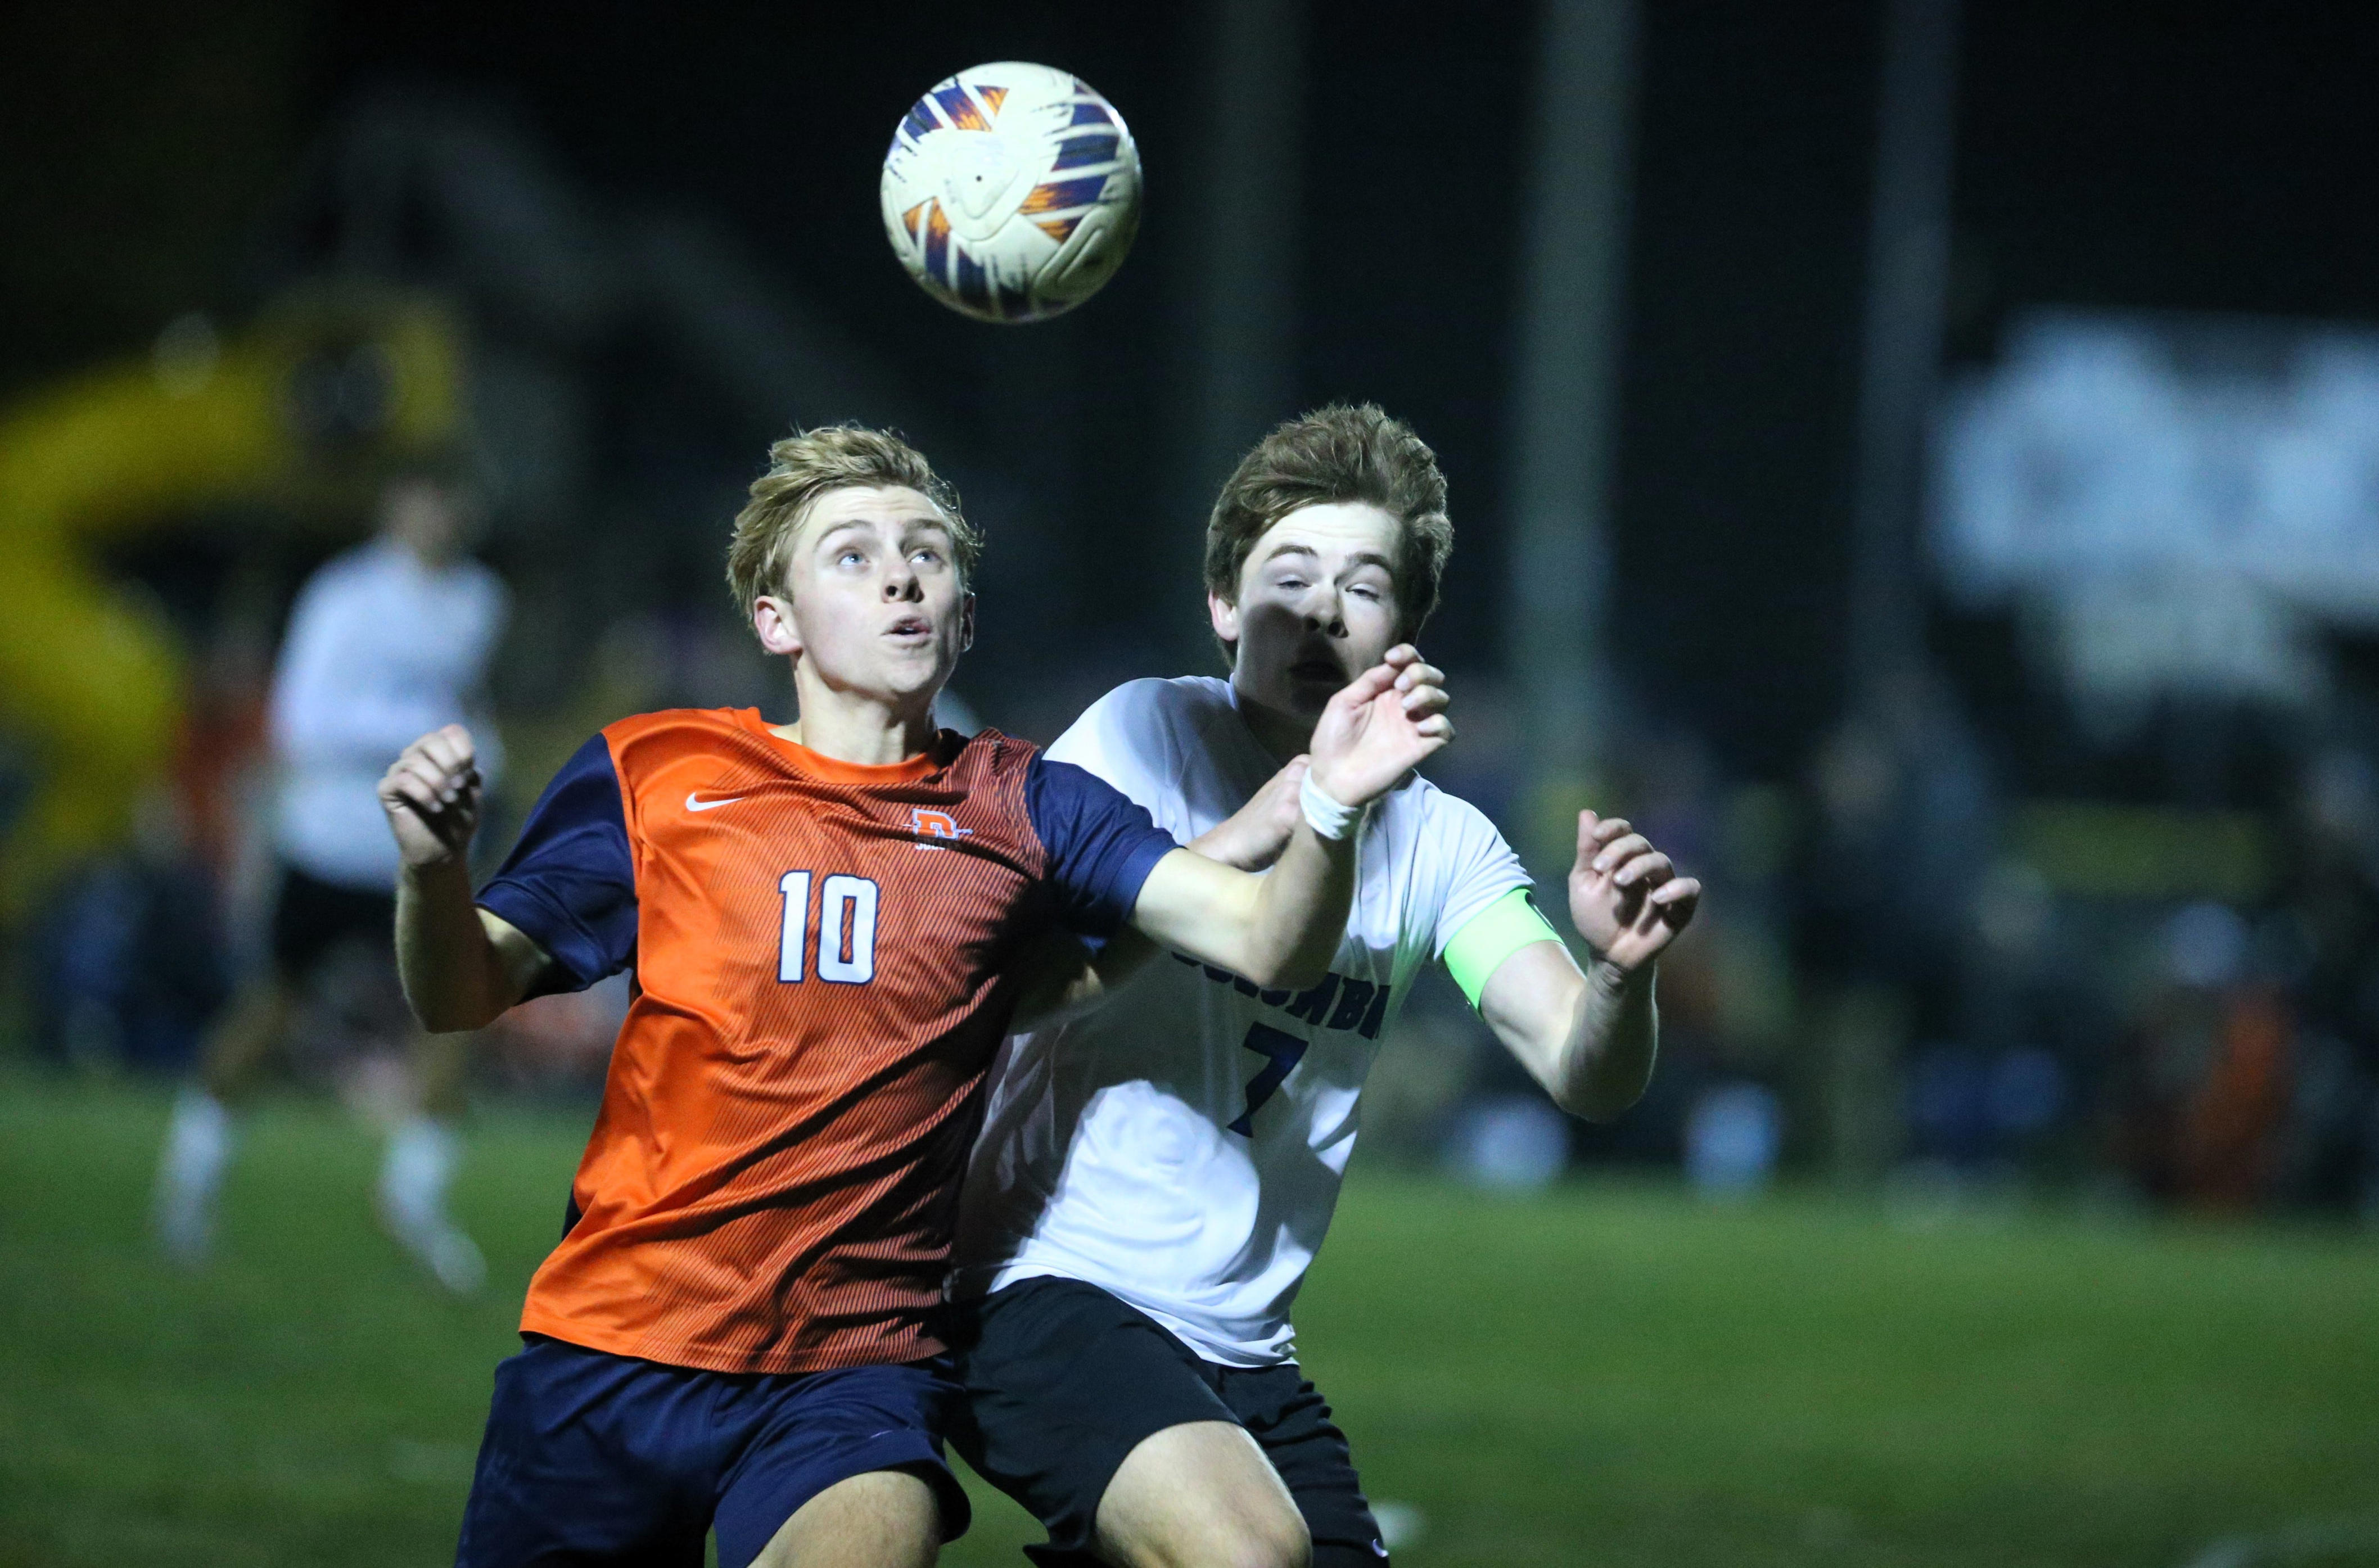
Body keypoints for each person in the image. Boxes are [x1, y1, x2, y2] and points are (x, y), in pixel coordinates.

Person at [377, 424, 1452, 1568]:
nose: (900, 573)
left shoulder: (1024, 804)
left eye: (928, 555)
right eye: (851, 554)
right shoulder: (658, 772)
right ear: (774, 620)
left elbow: (1266, 943)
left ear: (962, 618)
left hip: (850, 1386)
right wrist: (430, 869)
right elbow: (460, 993)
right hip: (608, 1351)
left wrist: (1331, 807)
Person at [947, 405, 1701, 1568]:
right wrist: (1309, 814)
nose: (1317, 613)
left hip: (1245, 1341)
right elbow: (1015, 976)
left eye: (1361, 586)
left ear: (1406, 628)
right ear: (1221, 606)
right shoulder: (1144, 733)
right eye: (1285, 577)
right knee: (1249, 1560)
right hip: (1043, 1284)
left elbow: (1583, 1071)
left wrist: (1618, 976)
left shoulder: (1446, 845)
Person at [153, 460, 507, 1292]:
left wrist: (476, 756)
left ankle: (412, 1200)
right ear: (397, 503)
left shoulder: (478, 601)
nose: (440, 516)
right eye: (427, 495)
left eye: (452, 499)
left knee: (462, 1013)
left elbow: (470, 705)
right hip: (334, 839)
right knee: (273, 1009)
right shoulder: (345, 596)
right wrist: (417, 734)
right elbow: (303, 722)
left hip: (424, 851)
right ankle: (189, 1178)